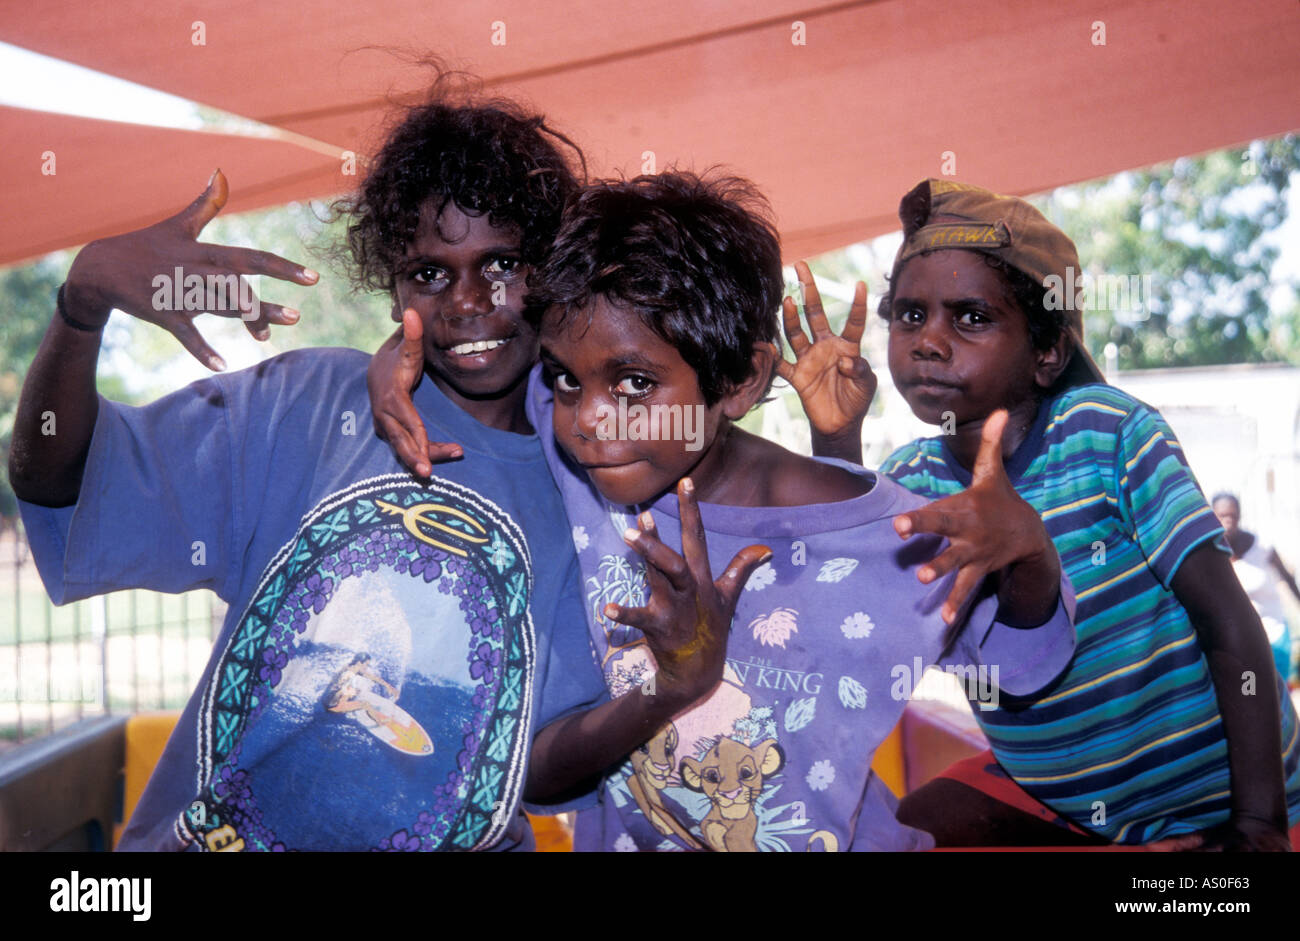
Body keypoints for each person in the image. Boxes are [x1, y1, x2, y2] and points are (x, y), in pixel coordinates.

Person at [7, 86, 766, 851]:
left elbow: (530, 768)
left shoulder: (599, 475)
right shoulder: (301, 406)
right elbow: (51, 482)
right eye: (428, 274)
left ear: (553, 268)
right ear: (393, 283)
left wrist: (669, 690)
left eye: (501, 264)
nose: (467, 302)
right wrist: (82, 305)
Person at [368, 170, 1077, 851]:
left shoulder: (890, 536)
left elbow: (1023, 662)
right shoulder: (576, 459)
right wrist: (383, 365)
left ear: (740, 381)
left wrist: (1031, 552)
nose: (589, 419)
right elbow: (472, 351)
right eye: (566, 379)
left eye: (635, 382)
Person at [780, 178, 1300, 849]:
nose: (929, 340)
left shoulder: (1109, 435)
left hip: (1222, 798)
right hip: (1063, 806)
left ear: (1048, 352)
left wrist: (1257, 824)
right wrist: (836, 441)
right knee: (920, 825)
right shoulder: (910, 480)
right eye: (910, 315)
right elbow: (851, 614)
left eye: (970, 316)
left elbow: (1229, 621)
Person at [1212, 492, 1300, 683]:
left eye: (1232, 515)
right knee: (1250, 693)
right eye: (1222, 516)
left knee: (1279, 694)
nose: (1228, 521)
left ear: (1239, 515)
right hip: (1244, 645)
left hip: (1275, 636)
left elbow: (1288, 579)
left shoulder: (1261, 547)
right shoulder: (1214, 555)